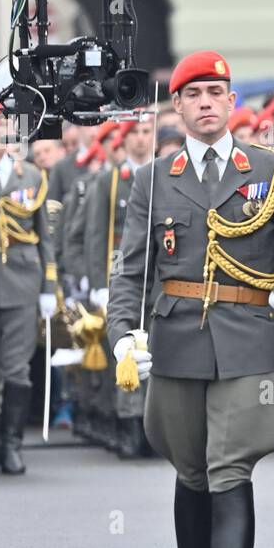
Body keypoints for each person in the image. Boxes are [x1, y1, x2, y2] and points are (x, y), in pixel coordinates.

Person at [107, 51, 274, 548]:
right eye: (191, 93)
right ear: (177, 106)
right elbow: (131, 270)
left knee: (230, 471)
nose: (203, 102)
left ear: (231, 104)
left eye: (214, 92)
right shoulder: (153, 177)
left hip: (249, 340)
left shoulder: (271, 171)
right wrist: (123, 333)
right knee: (191, 473)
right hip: (176, 343)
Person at [0, 113, 58, 474]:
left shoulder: (30, 175)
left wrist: (49, 286)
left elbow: (45, 237)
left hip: (22, 280)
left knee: (16, 369)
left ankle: (11, 444)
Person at [86, 115, 157, 458]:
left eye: (146, 132)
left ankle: (155, 426)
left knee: (156, 347)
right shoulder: (111, 181)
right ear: (123, 140)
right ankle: (130, 424)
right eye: (134, 133)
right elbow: (96, 234)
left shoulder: (165, 178)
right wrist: (100, 284)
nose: (141, 140)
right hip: (124, 272)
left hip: (158, 275)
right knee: (127, 343)